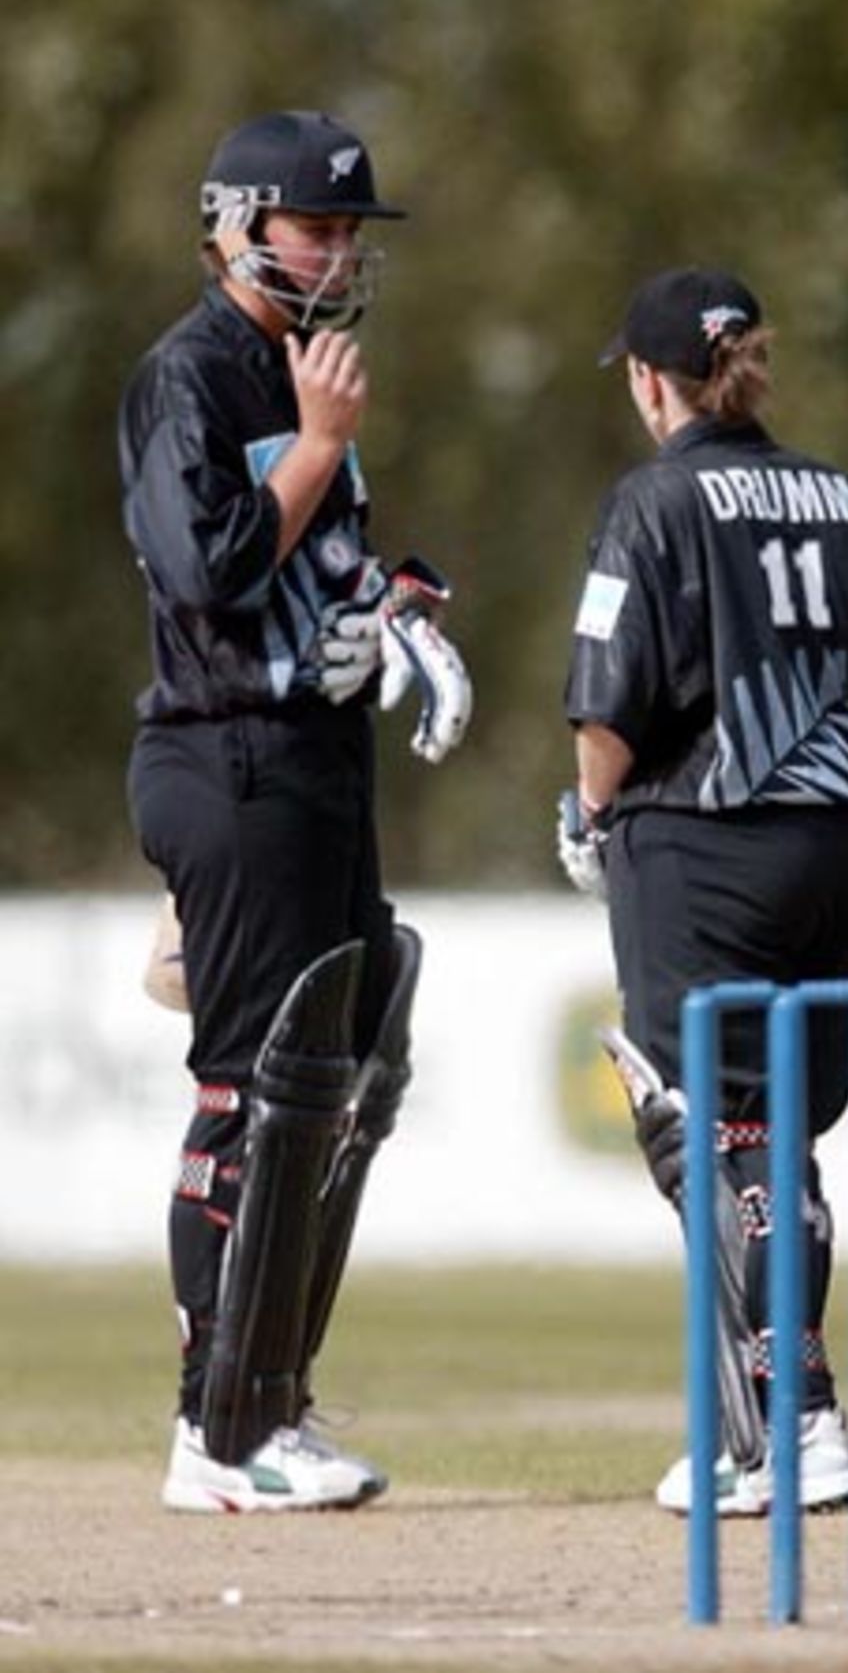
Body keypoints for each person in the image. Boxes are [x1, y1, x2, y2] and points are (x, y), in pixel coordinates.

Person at [559, 266, 848, 1516]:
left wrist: (589, 818)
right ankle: (754, 1428)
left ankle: (798, 1421)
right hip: (841, 854)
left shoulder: (649, 504)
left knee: (717, 1132)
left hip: (703, 846)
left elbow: (606, 708)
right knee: (772, 1139)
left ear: (650, 383)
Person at [120, 109, 471, 1512]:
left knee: (337, 1080)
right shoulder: (189, 373)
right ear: (234, 227)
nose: (333, 252)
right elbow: (205, 571)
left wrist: (392, 604)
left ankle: (269, 1407)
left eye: (347, 232)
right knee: (250, 1095)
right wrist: (320, 446)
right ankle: (210, 1433)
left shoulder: (299, 368)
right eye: (312, 226)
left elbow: (310, 568)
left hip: (317, 761)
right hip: (231, 761)